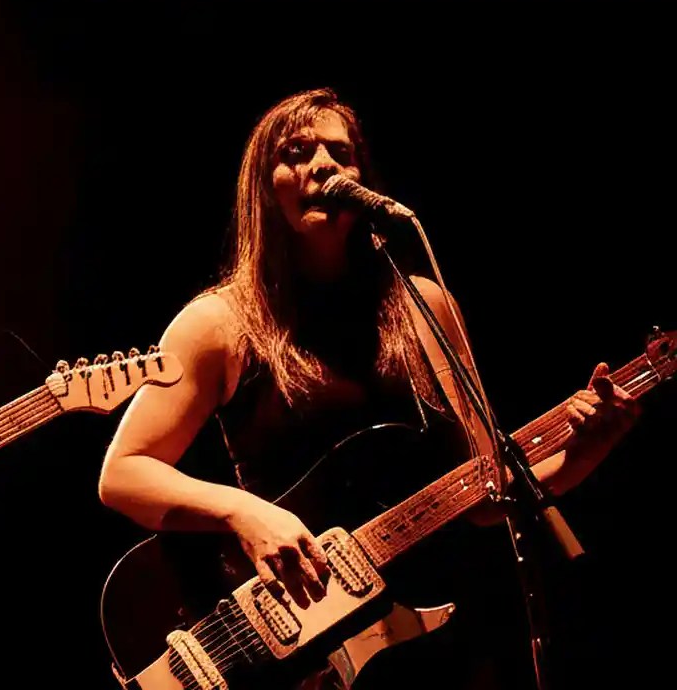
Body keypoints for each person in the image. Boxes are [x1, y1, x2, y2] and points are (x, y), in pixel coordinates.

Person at [97, 88, 641, 688]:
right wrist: (245, 514)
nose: (323, 165)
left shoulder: (423, 307)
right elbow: (123, 472)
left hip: (425, 642)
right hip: (290, 642)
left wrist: (588, 449)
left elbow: (485, 496)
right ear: (262, 185)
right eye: (297, 151)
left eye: (340, 152)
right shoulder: (220, 323)